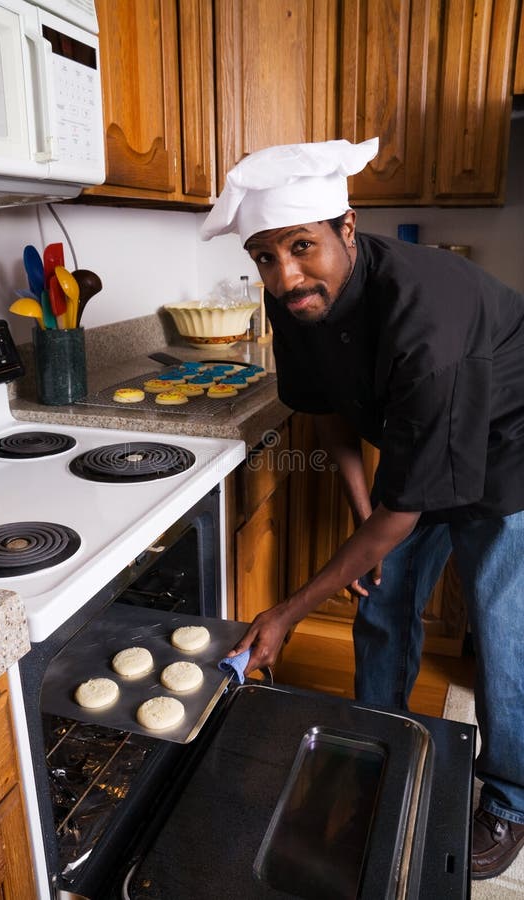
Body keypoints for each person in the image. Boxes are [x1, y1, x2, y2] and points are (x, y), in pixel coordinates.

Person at [200, 137, 524, 880]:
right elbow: (325, 409)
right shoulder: (294, 298)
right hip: (419, 448)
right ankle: (377, 744)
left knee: (503, 628)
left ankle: (511, 801)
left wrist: (288, 611)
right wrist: (362, 514)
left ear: (347, 227)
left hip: (511, 445)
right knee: (383, 602)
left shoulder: (427, 313)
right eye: (264, 257)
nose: (285, 275)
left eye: (301, 247)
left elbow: (403, 510)